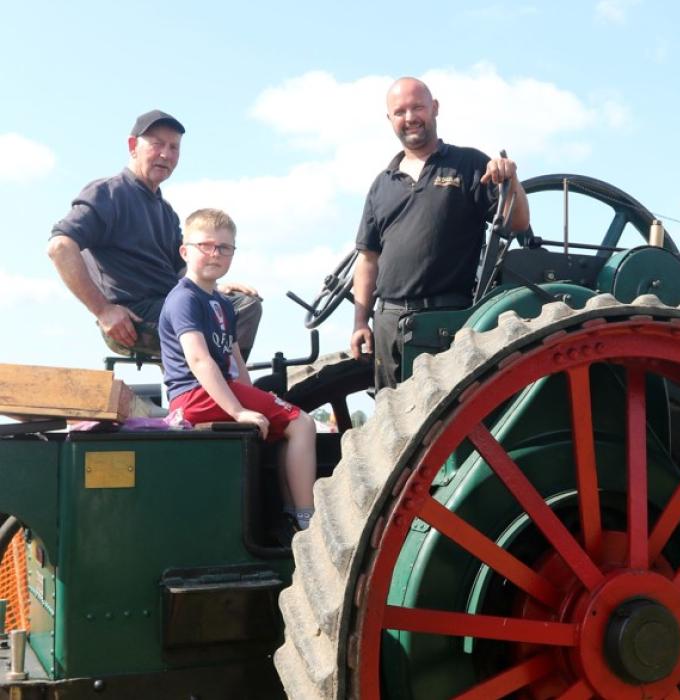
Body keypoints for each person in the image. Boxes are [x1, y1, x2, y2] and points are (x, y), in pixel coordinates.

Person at [349, 77, 530, 390]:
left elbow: (517, 223)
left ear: (434, 108)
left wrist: (510, 180)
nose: (410, 118)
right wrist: (360, 323)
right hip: (389, 323)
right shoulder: (382, 183)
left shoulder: (470, 163)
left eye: (417, 107)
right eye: (400, 111)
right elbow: (367, 259)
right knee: (391, 421)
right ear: (389, 119)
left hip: (447, 322)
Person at [47, 110, 263, 358]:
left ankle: (221, 383)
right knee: (233, 310)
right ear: (133, 146)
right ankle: (221, 388)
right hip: (136, 316)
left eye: (174, 147)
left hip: (172, 305)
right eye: (157, 144)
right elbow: (60, 247)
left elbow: (181, 269)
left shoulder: (165, 211)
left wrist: (215, 287)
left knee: (241, 304)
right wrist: (103, 310)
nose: (166, 154)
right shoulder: (108, 194)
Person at [159, 209, 316, 530]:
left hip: (214, 391)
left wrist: (251, 397)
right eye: (205, 245)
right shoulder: (184, 300)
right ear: (185, 251)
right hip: (194, 395)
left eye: (224, 248)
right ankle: (308, 522)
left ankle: (287, 516)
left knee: (282, 432)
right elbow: (199, 360)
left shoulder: (222, 303)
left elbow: (234, 362)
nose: (214, 254)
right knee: (303, 425)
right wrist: (238, 410)